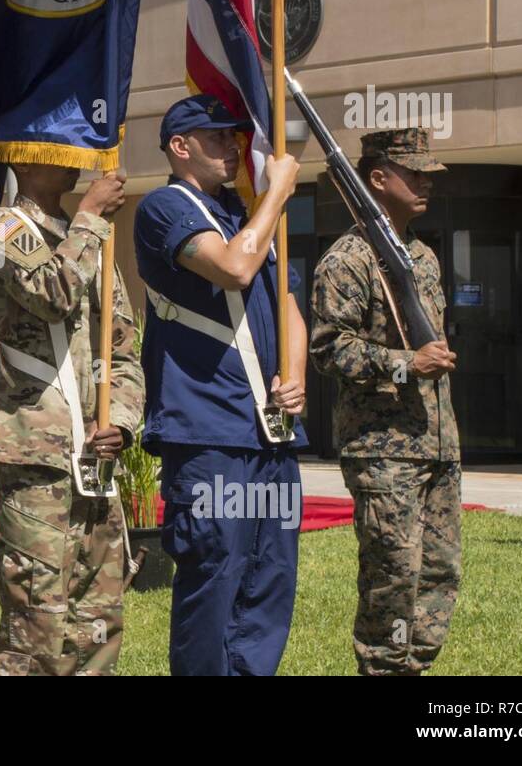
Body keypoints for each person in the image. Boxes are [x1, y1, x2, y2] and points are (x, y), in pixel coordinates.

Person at [133, 94, 307, 676]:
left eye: (236, 138)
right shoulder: (165, 207)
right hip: (208, 432)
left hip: (270, 434)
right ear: (180, 147)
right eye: (216, 139)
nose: (233, 148)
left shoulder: (244, 214)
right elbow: (235, 266)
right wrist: (278, 192)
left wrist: (297, 378)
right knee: (217, 575)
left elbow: (289, 308)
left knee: (269, 582)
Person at [0, 164, 144, 675]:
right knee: (36, 629)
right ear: (23, 155)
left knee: (98, 621)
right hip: (33, 456)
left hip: (95, 461)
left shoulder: (90, 238)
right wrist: (90, 216)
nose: (72, 159)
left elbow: (124, 351)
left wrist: (122, 419)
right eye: (55, 147)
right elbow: (52, 294)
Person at [310, 128, 460, 676]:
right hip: (383, 451)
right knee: (392, 576)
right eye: (413, 172)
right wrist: (404, 363)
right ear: (377, 178)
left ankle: (413, 669)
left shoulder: (422, 256)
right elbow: (328, 349)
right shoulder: (347, 259)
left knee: (440, 576)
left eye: (427, 174)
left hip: (436, 444)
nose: (425, 183)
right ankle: (382, 668)